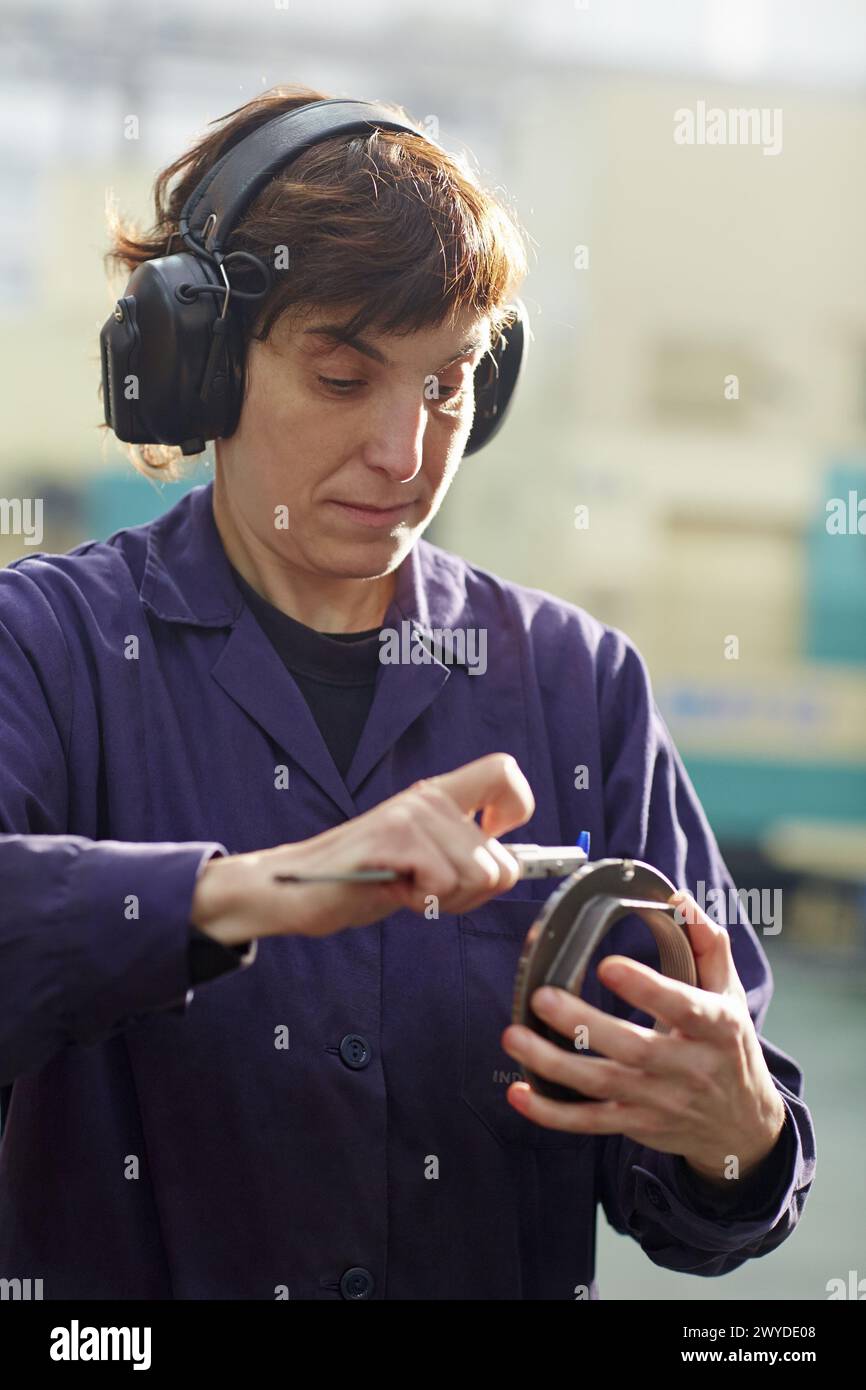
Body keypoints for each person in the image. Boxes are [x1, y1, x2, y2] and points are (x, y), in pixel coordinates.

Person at [0, 84, 814, 1301]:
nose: (406, 451)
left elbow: (706, 1204)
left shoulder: (577, 685)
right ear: (201, 368)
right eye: (342, 379)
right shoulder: (49, 649)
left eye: (448, 384)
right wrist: (262, 889)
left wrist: (733, 1128)